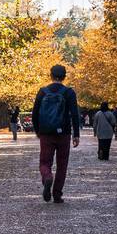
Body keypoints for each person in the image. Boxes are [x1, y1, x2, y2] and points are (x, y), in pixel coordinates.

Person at [31, 64, 81, 204]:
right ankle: (57, 194)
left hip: (46, 133)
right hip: (63, 133)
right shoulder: (69, 93)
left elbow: (35, 114)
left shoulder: (42, 92)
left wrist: (38, 131)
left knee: (45, 162)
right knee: (62, 164)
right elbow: (74, 115)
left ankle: (47, 177)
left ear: (50, 75)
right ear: (64, 77)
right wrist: (76, 134)